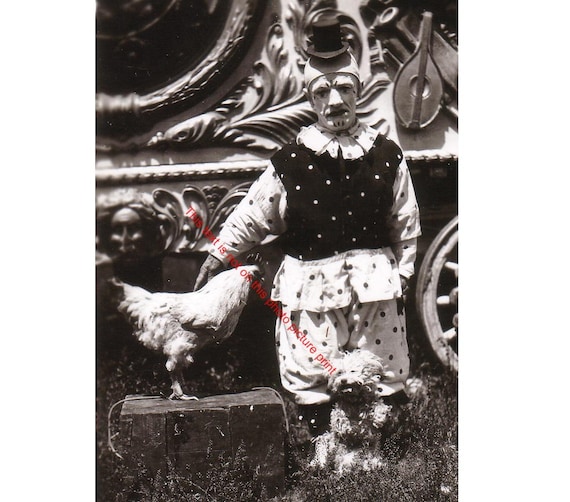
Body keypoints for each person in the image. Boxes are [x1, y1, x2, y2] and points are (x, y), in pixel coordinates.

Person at [195, 18, 421, 435]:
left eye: (344, 89)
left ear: (357, 92)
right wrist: (219, 253)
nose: (335, 102)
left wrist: (404, 271)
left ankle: (385, 444)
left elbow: (404, 221)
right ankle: (321, 442)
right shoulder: (290, 162)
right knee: (312, 362)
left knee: (382, 365)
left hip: (375, 286)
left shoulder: (387, 155)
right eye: (323, 92)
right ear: (310, 97)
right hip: (311, 287)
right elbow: (254, 212)